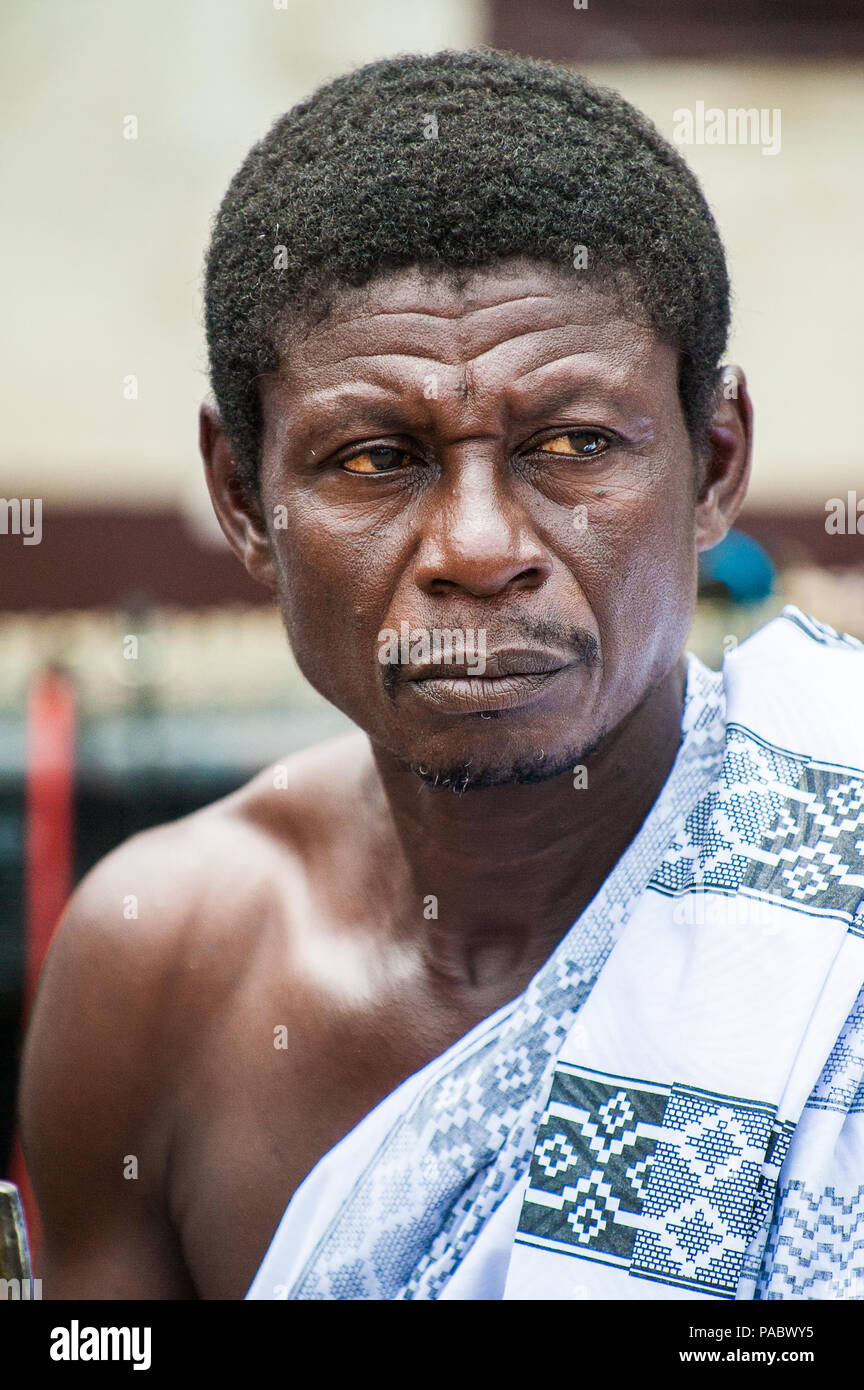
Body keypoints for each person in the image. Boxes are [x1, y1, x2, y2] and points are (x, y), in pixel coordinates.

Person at [19, 49, 864, 1301]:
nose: (478, 548)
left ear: (718, 462)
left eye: (573, 444)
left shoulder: (830, 922)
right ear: (243, 498)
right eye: (374, 458)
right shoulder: (157, 973)